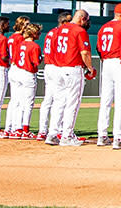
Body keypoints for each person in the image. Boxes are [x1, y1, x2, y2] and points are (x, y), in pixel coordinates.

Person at [39, 10, 95, 146]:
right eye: (86, 20)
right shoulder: (79, 31)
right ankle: (67, 135)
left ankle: (52, 134)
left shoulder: (59, 30)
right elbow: (85, 52)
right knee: (72, 103)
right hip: (73, 68)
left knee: (59, 103)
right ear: (82, 19)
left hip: (58, 68)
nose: (87, 23)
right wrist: (90, 68)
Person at [95, 4, 121, 147]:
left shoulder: (103, 27)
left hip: (106, 62)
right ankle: (118, 136)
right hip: (119, 61)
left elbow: (98, 48)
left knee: (105, 101)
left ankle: (102, 135)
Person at [5, 22, 42, 138]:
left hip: (17, 72)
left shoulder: (20, 44)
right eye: (38, 32)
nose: (40, 34)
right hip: (27, 73)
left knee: (17, 102)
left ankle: (17, 129)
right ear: (34, 33)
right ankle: (25, 130)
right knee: (28, 103)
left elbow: (14, 59)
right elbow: (36, 62)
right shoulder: (35, 46)